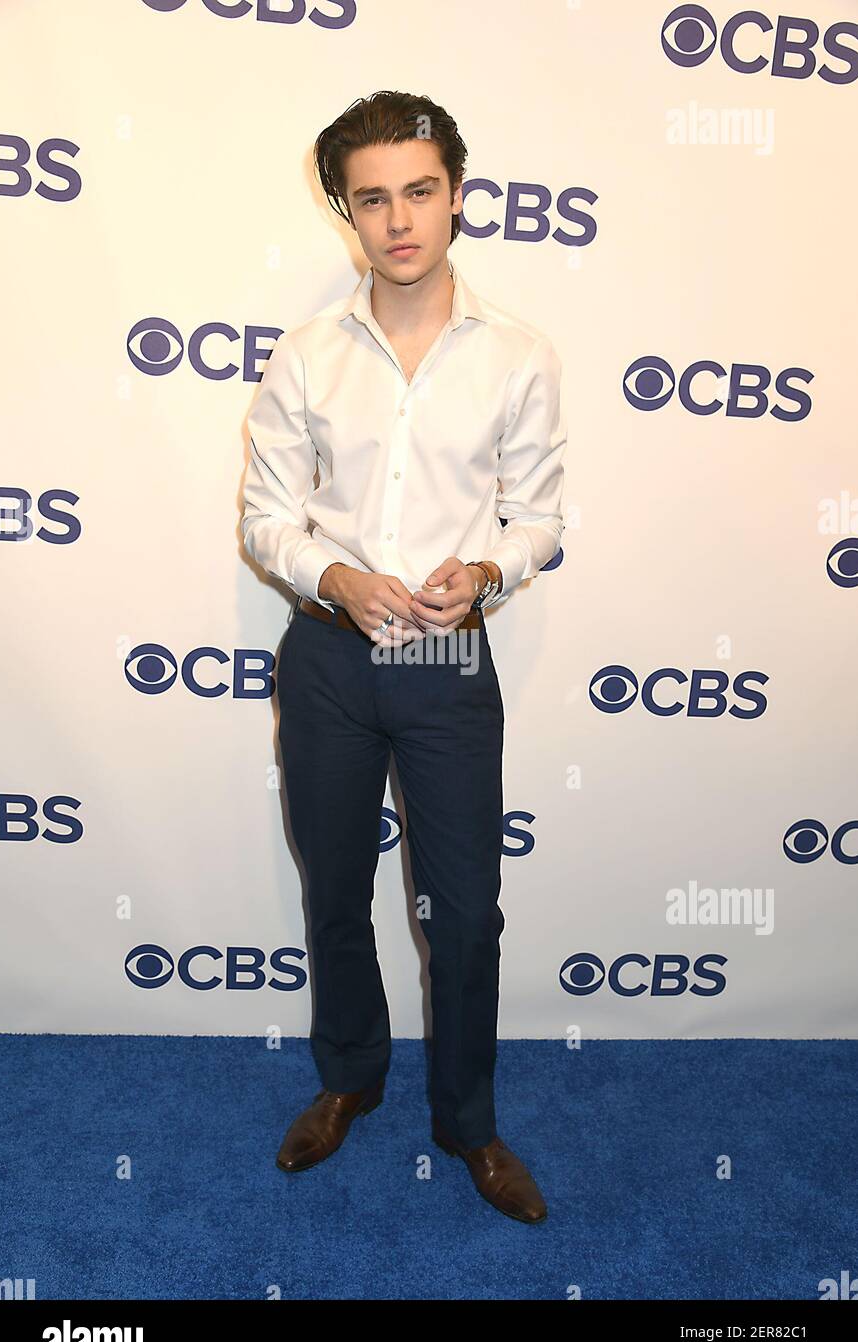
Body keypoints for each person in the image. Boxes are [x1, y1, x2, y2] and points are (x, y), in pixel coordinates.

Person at [241, 91, 567, 1224]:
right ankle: (348, 1079)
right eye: (372, 198)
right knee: (334, 885)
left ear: (456, 195)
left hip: (443, 664)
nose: (398, 220)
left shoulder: (519, 354)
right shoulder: (307, 352)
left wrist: (487, 571)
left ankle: (467, 1124)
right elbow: (265, 516)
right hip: (327, 658)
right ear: (345, 210)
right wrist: (330, 574)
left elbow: (539, 516)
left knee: (463, 911)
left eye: (419, 191)